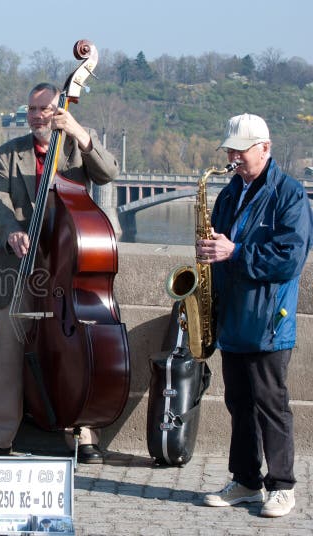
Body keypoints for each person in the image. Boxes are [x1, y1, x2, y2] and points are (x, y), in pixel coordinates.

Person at [0, 83, 119, 463]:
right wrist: (11, 231)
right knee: (6, 342)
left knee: (80, 346)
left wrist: (80, 134)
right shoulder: (8, 154)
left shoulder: (75, 146)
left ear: (60, 109)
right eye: (32, 109)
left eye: (45, 108)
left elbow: (109, 173)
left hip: (70, 263)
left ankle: (84, 433)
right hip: (21, 262)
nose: (37, 115)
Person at [200, 113, 312, 518]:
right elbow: (219, 245)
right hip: (233, 316)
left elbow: (289, 258)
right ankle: (246, 480)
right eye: (230, 149)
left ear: (265, 148)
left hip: (268, 320)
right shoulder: (230, 193)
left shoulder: (290, 194)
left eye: (240, 150)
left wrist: (236, 253)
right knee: (239, 403)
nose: (233, 157)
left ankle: (282, 486)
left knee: (271, 404)